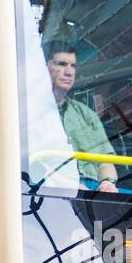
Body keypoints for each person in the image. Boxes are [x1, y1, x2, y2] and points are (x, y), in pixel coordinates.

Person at [45, 41, 118, 192]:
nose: (69, 72)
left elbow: (107, 161)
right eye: (62, 64)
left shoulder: (86, 114)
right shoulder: (32, 113)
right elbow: (34, 164)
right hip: (50, 190)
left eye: (73, 66)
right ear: (45, 67)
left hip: (93, 190)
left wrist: (107, 182)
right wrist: (69, 185)